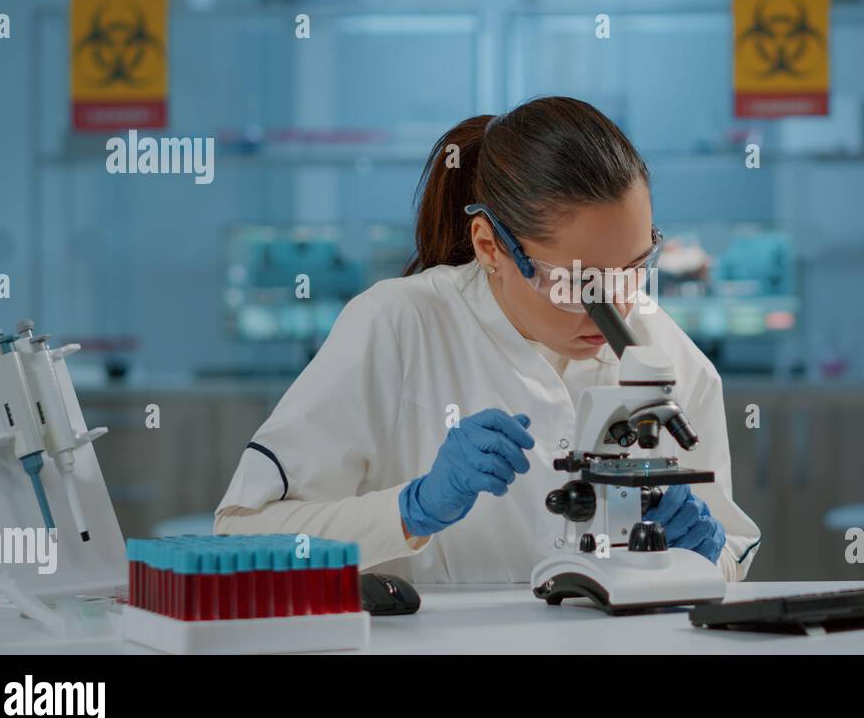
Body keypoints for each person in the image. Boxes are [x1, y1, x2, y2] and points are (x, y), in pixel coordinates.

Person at [215, 96, 761, 583]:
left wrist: (705, 552)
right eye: (578, 282)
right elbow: (240, 539)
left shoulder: (671, 359)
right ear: (490, 246)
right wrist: (409, 511)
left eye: (635, 267)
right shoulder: (396, 325)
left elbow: (730, 561)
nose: (615, 306)